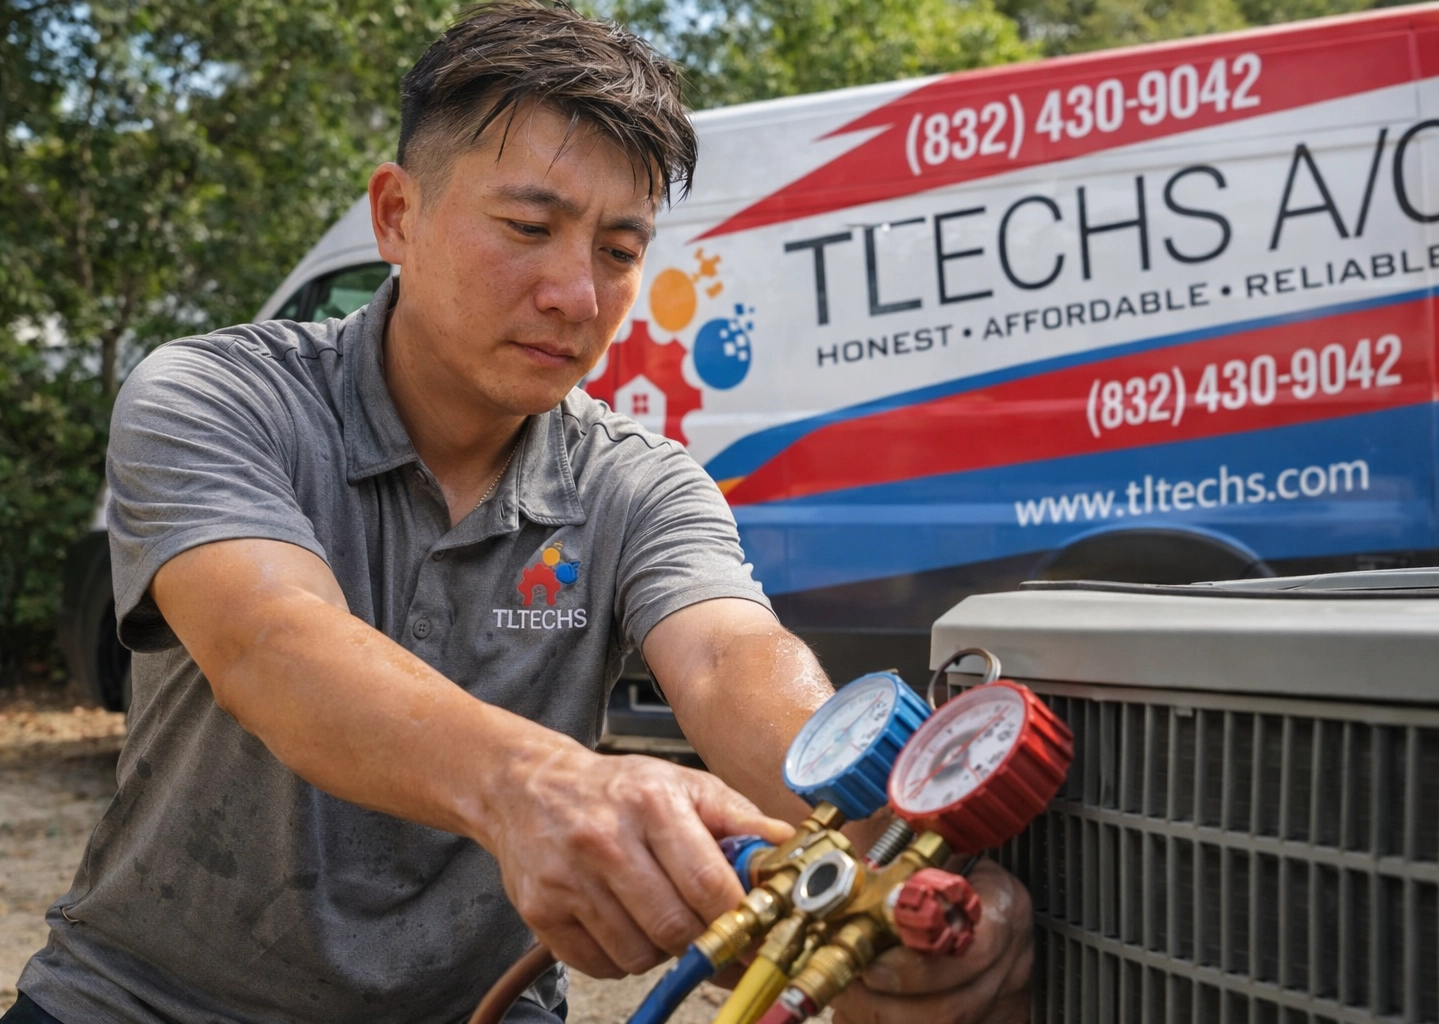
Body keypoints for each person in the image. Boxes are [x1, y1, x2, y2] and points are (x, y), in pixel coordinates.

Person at [5, 3, 1034, 1022]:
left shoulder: (641, 481)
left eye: (621, 251)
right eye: (528, 228)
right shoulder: (215, 395)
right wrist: (539, 786)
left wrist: (870, 844)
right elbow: (274, 641)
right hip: (141, 1002)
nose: (577, 295)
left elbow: (730, 659)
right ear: (398, 214)